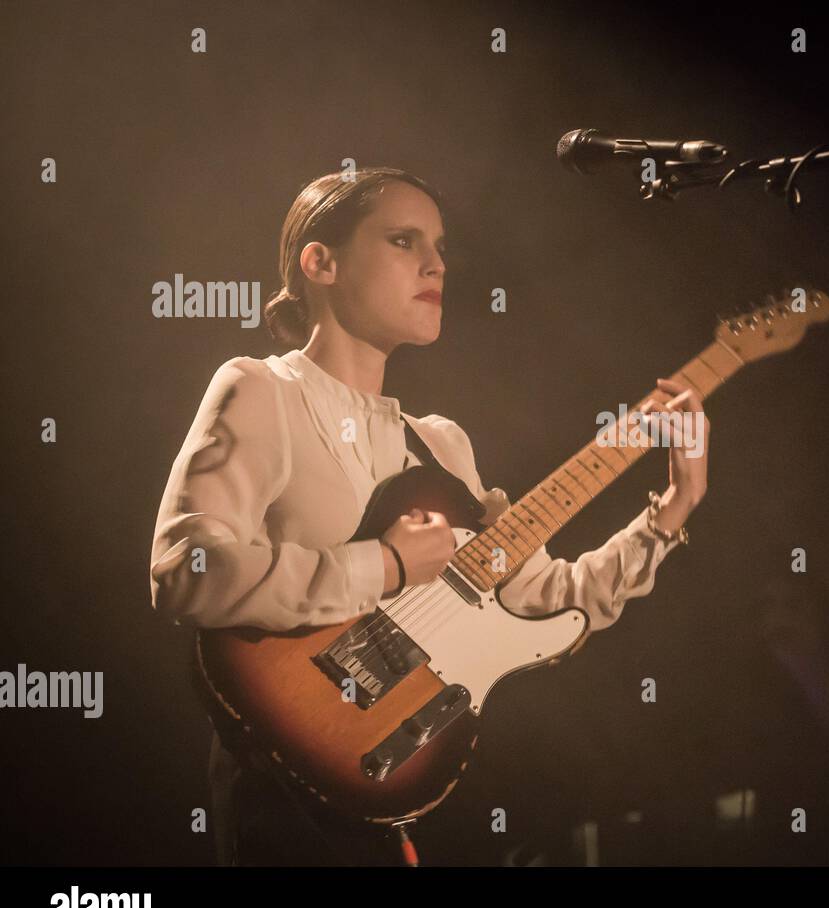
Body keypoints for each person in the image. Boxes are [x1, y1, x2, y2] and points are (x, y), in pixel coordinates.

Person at [148, 166, 709, 865]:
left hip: (396, 790)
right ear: (319, 262)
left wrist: (671, 509)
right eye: (403, 240)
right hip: (281, 790)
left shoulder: (441, 443)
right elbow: (185, 569)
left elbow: (545, 603)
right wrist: (381, 564)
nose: (436, 263)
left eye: (439, 246)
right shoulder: (262, 390)